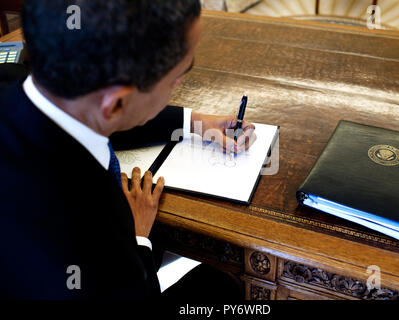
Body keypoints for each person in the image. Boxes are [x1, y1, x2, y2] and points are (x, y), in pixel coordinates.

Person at [0, 0, 256, 299]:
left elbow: (89, 108)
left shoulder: (11, 77)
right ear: (117, 103)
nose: (179, 82)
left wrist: (193, 122)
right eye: (181, 75)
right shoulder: (89, 260)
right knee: (221, 287)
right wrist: (137, 239)